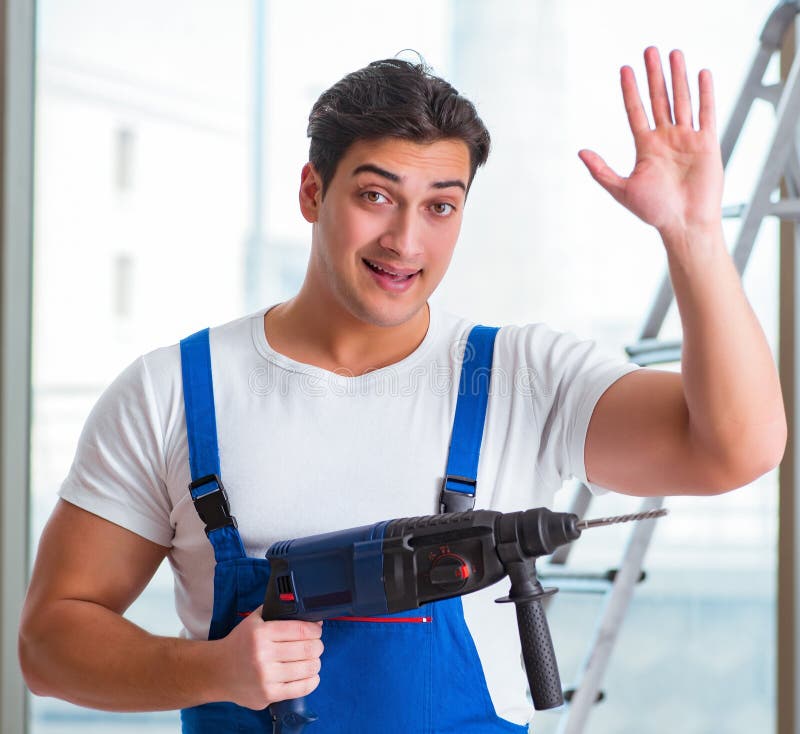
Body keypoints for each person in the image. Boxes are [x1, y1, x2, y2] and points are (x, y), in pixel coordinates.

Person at [19, 47, 785, 733]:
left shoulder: (522, 377)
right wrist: (214, 671)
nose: (406, 241)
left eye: (440, 206)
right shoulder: (173, 393)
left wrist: (693, 234)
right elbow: (49, 645)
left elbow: (736, 450)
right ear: (312, 191)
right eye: (376, 196)